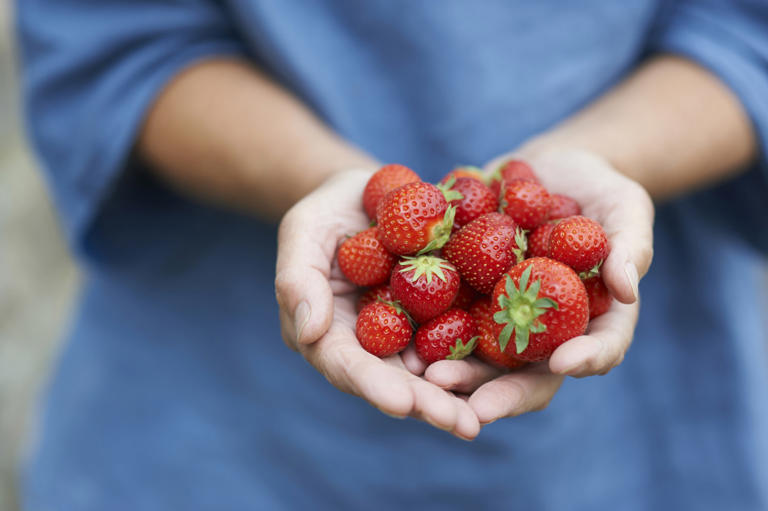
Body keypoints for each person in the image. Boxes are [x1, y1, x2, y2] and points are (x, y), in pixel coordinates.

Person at [16, 1, 768, 509]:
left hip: (650, 438)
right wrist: (315, 179)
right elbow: (115, 45)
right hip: (215, 435)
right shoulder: (460, 250)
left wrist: (605, 157)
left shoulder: (496, 255)